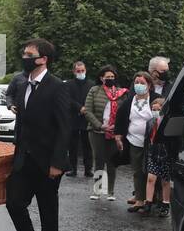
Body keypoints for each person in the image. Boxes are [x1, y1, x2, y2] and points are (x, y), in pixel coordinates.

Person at [5, 38, 71, 231]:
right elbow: (22, 124)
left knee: (47, 213)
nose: (25, 56)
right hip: (24, 159)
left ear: (43, 59)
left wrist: (57, 163)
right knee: (14, 203)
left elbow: (65, 128)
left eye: (29, 53)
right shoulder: (23, 85)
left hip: (47, 163)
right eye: (24, 52)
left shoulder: (57, 86)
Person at [115, 71, 156, 211]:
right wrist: (118, 136)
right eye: (136, 83)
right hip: (133, 140)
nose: (139, 85)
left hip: (151, 142)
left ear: (149, 85)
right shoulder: (129, 101)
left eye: (142, 83)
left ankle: (152, 198)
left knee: (150, 172)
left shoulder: (156, 99)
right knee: (137, 171)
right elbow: (120, 118)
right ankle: (139, 198)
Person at [84, 65, 125, 202]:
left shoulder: (121, 92)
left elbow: (124, 112)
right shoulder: (94, 91)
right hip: (97, 131)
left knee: (112, 161)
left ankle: (111, 191)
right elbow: (88, 111)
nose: (110, 79)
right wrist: (100, 125)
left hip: (114, 132)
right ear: (101, 78)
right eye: (107, 77)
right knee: (99, 160)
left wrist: (117, 127)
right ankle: (97, 190)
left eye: (112, 77)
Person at [143, 96, 172, 217]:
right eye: (152, 109)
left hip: (165, 154)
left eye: (157, 109)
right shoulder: (150, 122)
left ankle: (166, 203)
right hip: (153, 153)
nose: (155, 112)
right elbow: (147, 139)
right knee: (151, 178)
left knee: (165, 181)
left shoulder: (168, 122)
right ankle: (148, 202)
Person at [65, 59, 93, 177]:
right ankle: (72, 169)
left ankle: (88, 169)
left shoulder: (91, 84)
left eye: (82, 70)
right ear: (74, 71)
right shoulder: (68, 84)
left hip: (87, 118)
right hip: (73, 118)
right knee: (73, 145)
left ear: (85, 70)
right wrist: (79, 108)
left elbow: (93, 99)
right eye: (78, 71)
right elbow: (67, 99)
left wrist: (85, 108)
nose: (81, 72)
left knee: (88, 145)